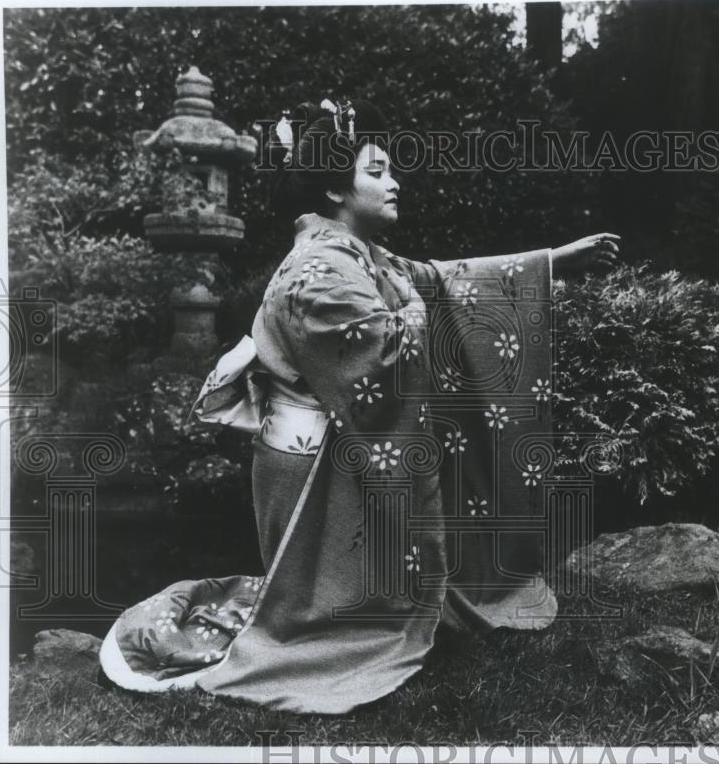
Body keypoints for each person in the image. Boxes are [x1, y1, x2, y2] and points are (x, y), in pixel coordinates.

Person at [99, 98, 620, 714]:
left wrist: (553, 262)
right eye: (377, 171)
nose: (395, 181)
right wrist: (417, 317)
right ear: (334, 187)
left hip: (336, 448)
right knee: (326, 620)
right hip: (311, 466)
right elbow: (382, 353)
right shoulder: (317, 269)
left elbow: (440, 277)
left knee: (352, 597)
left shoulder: (356, 254)